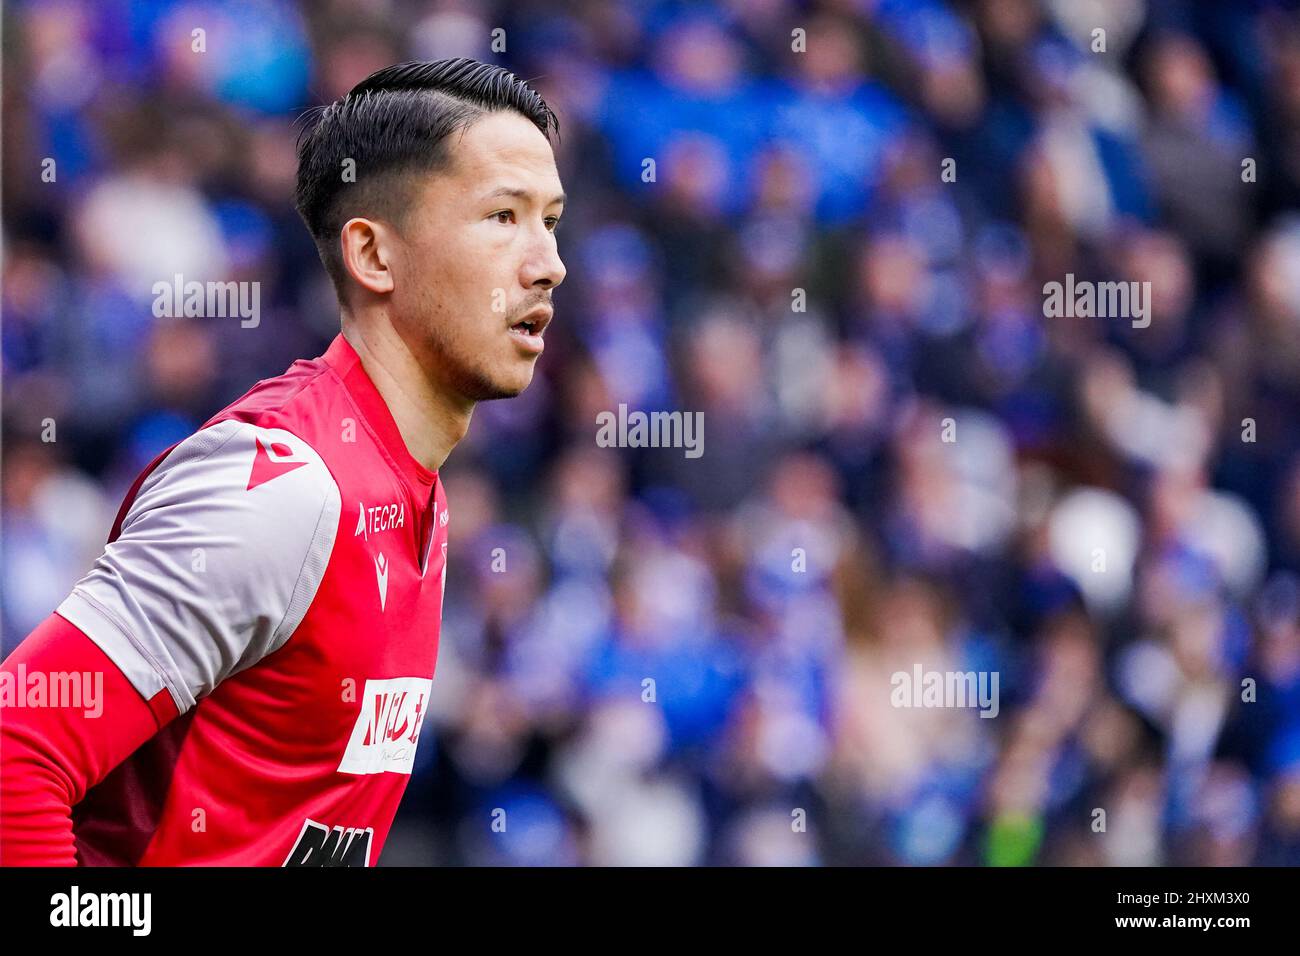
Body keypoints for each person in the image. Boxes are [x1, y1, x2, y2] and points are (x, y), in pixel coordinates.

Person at [0, 57, 567, 866]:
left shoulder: (418, 497)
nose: (548, 262)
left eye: (552, 220)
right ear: (373, 257)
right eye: (503, 217)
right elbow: (16, 749)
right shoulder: (283, 488)